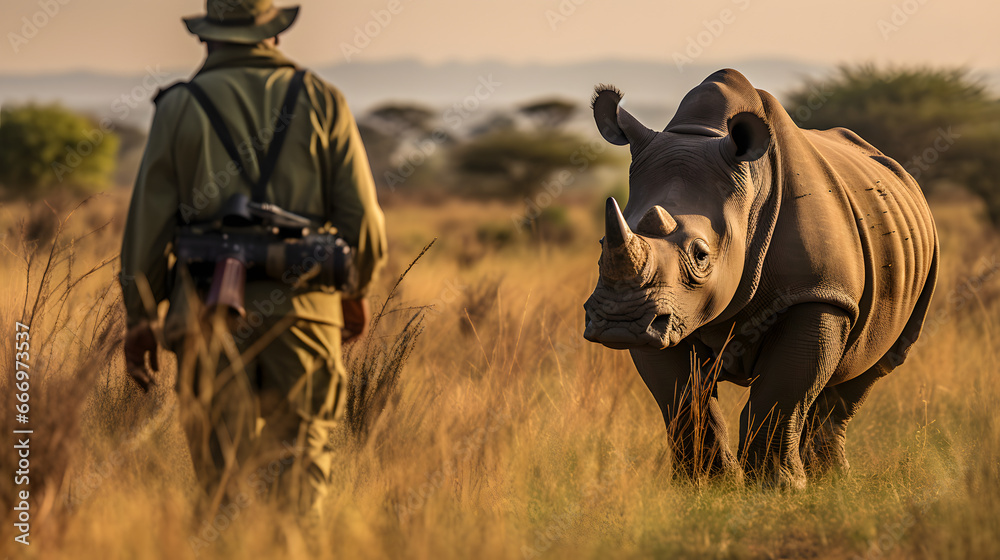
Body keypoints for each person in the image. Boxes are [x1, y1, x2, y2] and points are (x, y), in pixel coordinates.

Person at [119, 0, 387, 516]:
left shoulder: (179, 106)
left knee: (221, 488)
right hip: (306, 313)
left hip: (206, 316)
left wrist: (140, 316)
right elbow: (363, 222)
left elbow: (147, 229)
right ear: (274, 34)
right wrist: (355, 291)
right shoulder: (321, 98)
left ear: (206, 37)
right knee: (300, 477)